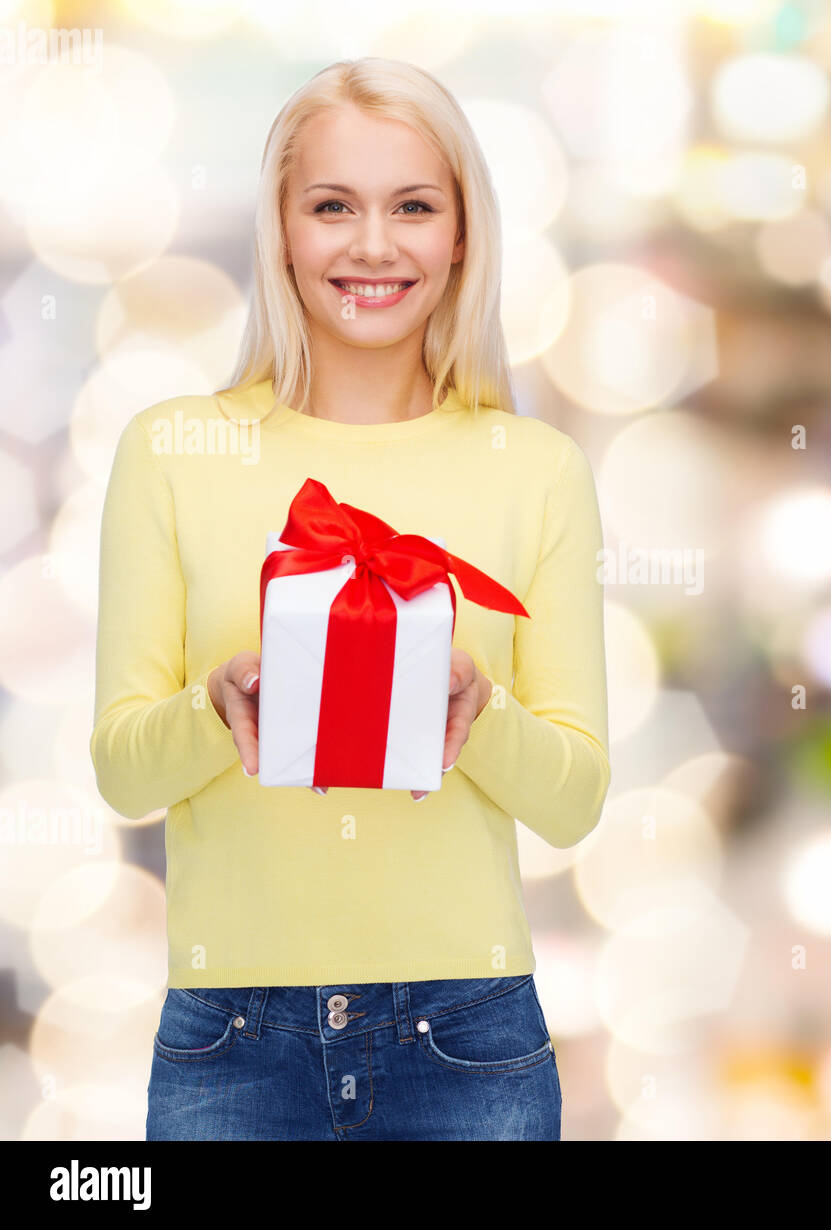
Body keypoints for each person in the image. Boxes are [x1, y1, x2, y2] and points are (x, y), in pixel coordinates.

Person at [89, 57, 610, 1141]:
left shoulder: (537, 467)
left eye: (413, 207)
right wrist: (216, 707)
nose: (373, 245)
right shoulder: (175, 451)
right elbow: (121, 770)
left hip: (467, 1041)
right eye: (333, 206)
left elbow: (573, 800)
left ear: (461, 233)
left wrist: (477, 713)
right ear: (281, 230)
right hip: (231, 1043)